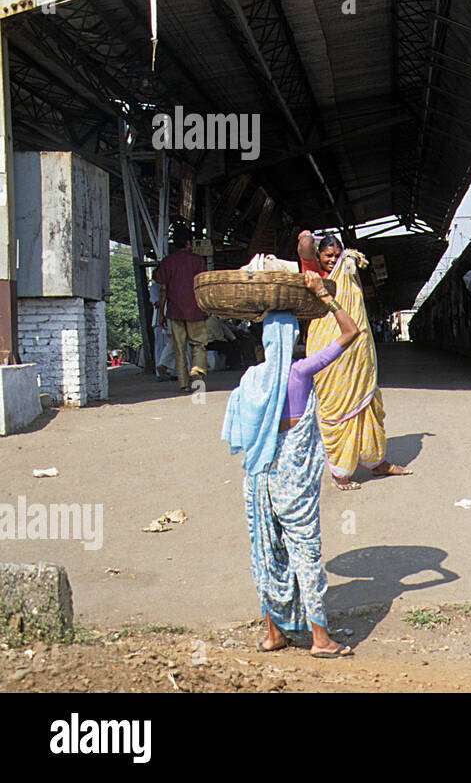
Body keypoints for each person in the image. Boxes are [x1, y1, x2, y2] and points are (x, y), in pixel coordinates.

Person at [221, 271, 358, 658]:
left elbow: (242, 429)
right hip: (293, 478)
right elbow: (351, 334)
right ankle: (319, 638)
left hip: (260, 476)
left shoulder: (250, 379)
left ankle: (273, 634)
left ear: (265, 340)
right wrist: (325, 298)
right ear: (293, 339)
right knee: (305, 550)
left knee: (268, 549)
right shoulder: (301, 371)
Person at [300, 232, 412, 491]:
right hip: (329, 354)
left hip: (358, 355)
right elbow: (304, 246)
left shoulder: (349, 269)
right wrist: (308, 235)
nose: (334, 260)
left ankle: (378, 463)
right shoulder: (314, 272)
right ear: (319, 256)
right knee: (338, 407)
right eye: (328, 255)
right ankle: (341, 472)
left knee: (368, 406)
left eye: (337, 255)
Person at [154, 226, 209, 393]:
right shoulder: (198, 261)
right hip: (195, 309)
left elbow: (163, 289)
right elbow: (203, 286)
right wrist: (207, 307)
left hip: (174, 310)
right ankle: (197, 371)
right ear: (188, 242)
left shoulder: (167, 262)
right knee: (198, 343)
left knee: (179, 347)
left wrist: (161, 313)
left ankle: (184, 383)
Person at [147, 278, 176, 381]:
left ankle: (171, 370)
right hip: (160, 320)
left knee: (171, 344)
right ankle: (161, 370)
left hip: (170, 317)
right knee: (162, 345)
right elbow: (157, 303)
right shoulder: (155, 287)